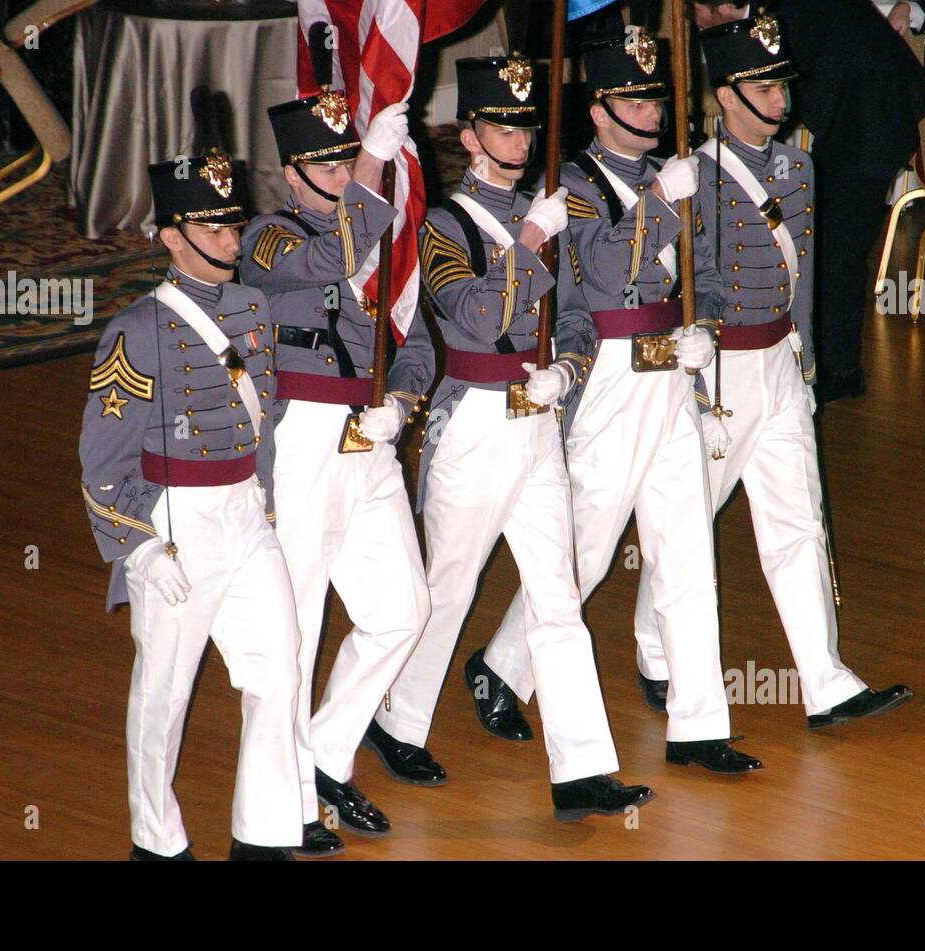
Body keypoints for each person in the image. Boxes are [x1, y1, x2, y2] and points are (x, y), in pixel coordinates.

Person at [362, 53, 656, 820]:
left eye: (525, 126)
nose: (519, 140)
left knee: (557, 597)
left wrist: (567, 365)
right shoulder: (444, 225)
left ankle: (583, 768)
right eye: (502, 125)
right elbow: (474, 317)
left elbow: (585, 316)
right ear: (471, 135)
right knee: (447, 587)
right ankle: (395, 721)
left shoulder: (546, 212)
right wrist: (528, 238)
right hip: (474, 424)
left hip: (538, 422)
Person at [461, 27, 761, 773]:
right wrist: (660, 199)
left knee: (687, 549)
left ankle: (698, 724)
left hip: (672, 376)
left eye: (656, 96)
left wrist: (705, 325)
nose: (651, 111)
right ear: (599, 111)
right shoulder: (574, 189)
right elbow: (600, 271)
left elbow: (713, 269)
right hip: (609, 378)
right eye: (633, 98)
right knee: (587, 548)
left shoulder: (674, 174)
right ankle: (502, 664)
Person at [635, 15, 914, 734]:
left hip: (781, 365)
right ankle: (654, 652)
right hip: (718, 371)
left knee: (800, 522)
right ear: (725, 95)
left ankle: (826, 681)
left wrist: (809, 362)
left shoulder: (798, 167)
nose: (780, 100)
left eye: (782, 84)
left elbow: (807, 271)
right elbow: (652, 276)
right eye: (761, 85)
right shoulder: (689, 176)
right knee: (687, 518)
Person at [79, 150, 303, 861]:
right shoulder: (137, 329)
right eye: (214, 228)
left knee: (279, 668)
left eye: (234, 224)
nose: (233, 241)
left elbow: (264, 415)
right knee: (164, 692)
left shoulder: (252, 307)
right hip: (176, 523)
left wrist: (263, 505)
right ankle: (157, 841)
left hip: (244, 510)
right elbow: (102, 460)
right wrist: (138, 544)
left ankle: (263, 834)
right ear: (173, 237)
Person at [238, 84, 434, 851]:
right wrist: (374, 164)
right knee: (299, 620)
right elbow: (335, 255)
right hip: (304, 436)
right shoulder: (268, 236)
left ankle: (322, 754)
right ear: (294, 174)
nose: (339, 171)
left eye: (343, 156)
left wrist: (406, 399)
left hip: (369, 434)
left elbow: (413, 335)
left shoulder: (379, 230)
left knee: (401, 609)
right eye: (325, 162)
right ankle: (278, 799)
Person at [692, 0, 925, 401]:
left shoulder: (779, 18)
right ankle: (834, 363)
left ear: (717, 7)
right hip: (857, 110)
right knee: (834, 243)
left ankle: (841, 371)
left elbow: (781, 99)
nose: (692, 19)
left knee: (838, 248)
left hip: (874, 112)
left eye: (695, 9)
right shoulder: (773, 12)